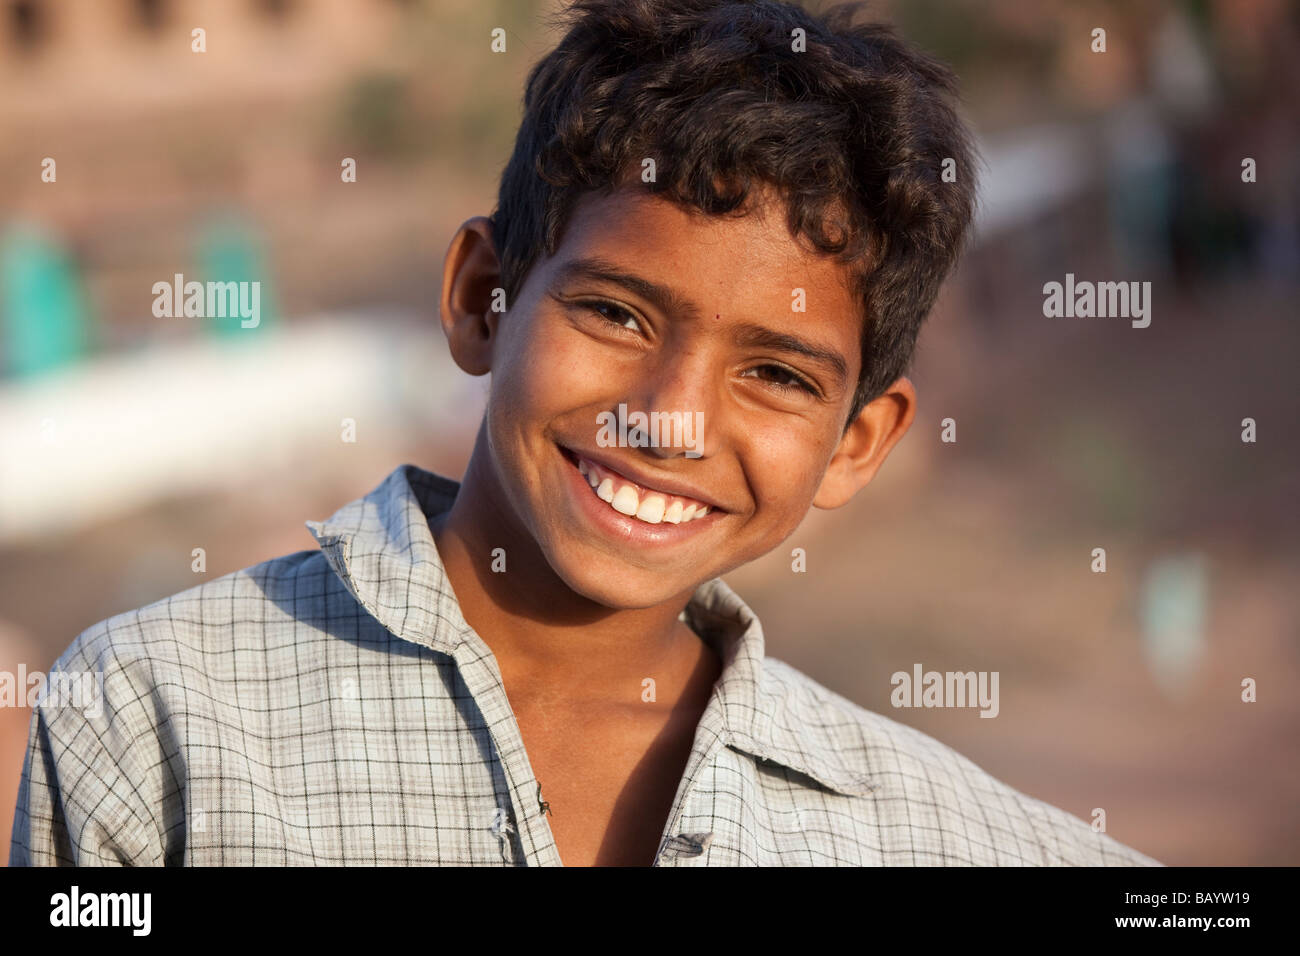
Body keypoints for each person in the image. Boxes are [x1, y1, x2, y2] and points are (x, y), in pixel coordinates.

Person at [10, 0, 1159, 866]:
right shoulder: (162, 710)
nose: (667, 417)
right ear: (480, 297)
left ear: (855, 443)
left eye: (773, 373)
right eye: (614, 312)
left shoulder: (931, 831)